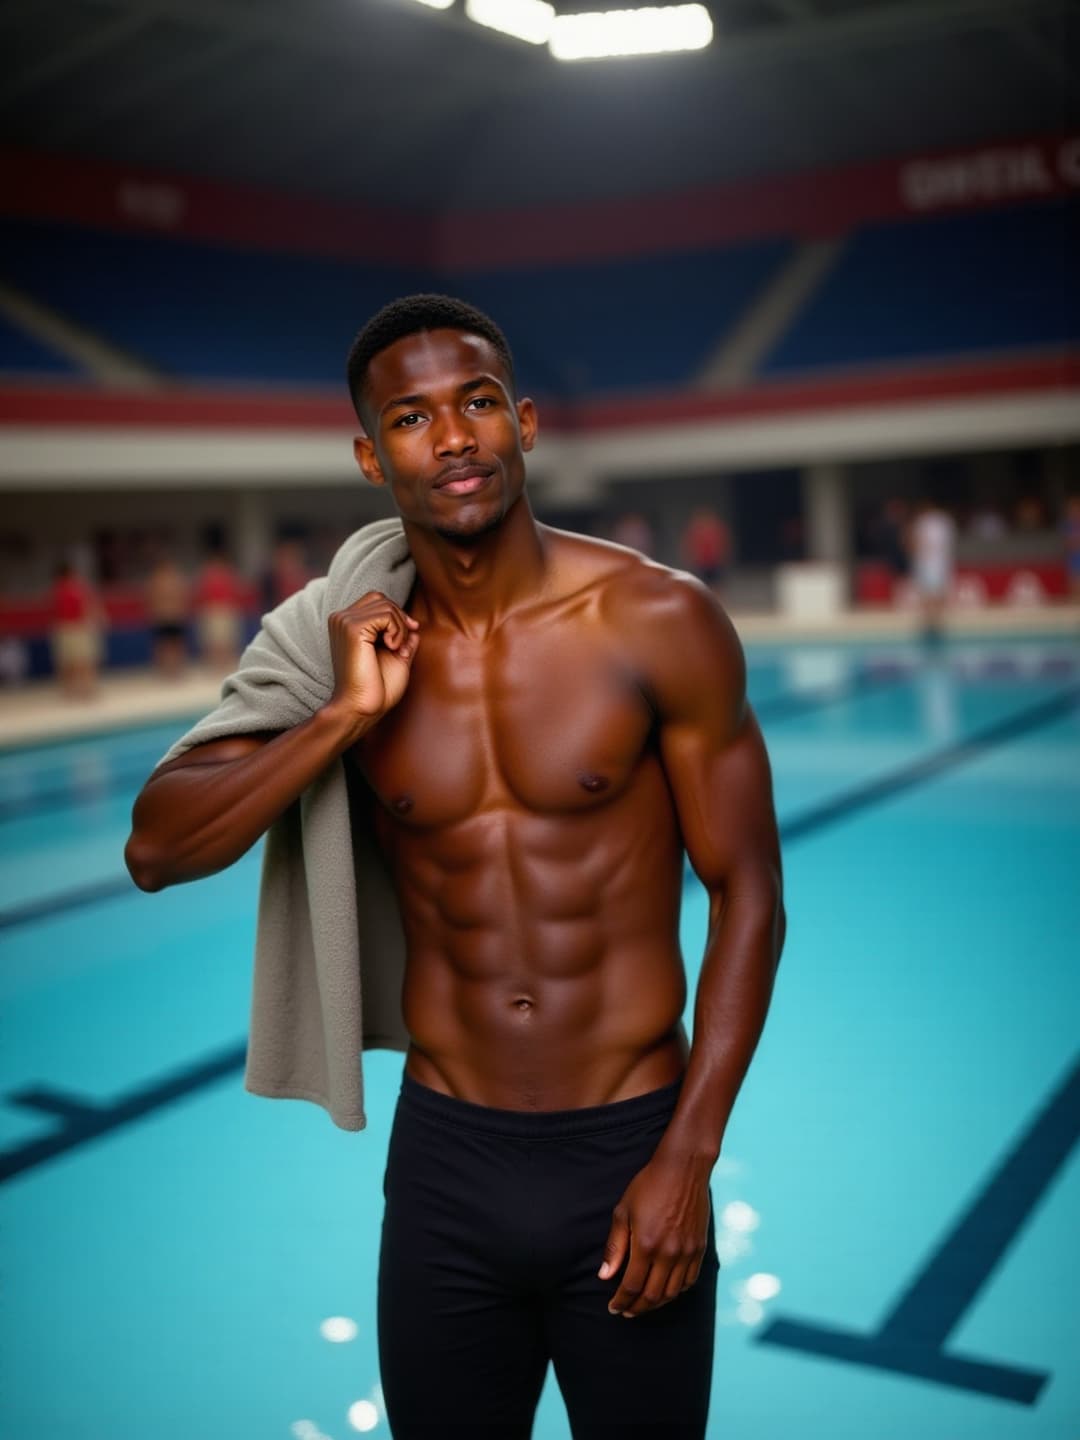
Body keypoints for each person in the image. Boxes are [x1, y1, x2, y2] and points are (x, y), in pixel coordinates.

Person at [124, 295, 785, 1438]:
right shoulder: (334, 638)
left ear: (524, 422)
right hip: (445, 1165)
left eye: (479, 404)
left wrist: (689, 1156)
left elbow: (750, 892)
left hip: (630, 1143)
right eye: (415, 419)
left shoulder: (657, 620)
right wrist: (340, 719)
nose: (457, 438)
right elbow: (157, 848)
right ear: (370, 455)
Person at [50, 558, 104, 699]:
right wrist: (97, 619)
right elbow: (88, 606)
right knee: (82, 661)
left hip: (67, 628)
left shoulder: (60, 589)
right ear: (71, 573)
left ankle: (73, 691)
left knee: (71, 662)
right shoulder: (74, 588)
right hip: (76, 627)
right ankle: (86, 689)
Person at [908, 497, 956, 641]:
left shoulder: (933, 522)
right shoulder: (942, 522)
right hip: (934, 562)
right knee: (931, 593)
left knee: (932, 593)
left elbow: (916, 542)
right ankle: (934, 622)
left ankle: (932, 623)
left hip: (933, 562)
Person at [194, 543, 244, 672]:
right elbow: (202, 594)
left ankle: (226, 665)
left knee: (227, 639)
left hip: (226, 608)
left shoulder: (228, 573)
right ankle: (215, 665)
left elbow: (235, 592)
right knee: (214, 640)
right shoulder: (207, 574)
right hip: (213, 609)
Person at [145, 551, 189, 678]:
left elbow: (182, 596)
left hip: (174, 615)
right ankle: (166, 670)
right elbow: (152, 598)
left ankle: (176, 669)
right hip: (163, 616)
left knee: (176, 644)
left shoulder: (175, 579)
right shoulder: (157, 580)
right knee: (164, 645)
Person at [681, 507, 731, 591]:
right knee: (700, 585)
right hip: (701, 563)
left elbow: (723, 544)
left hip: (714, 563)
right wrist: (690, 559)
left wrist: (722, 557)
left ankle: (716, 602)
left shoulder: (717, 529)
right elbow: (689, 546)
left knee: (717, 585)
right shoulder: (695, 530)